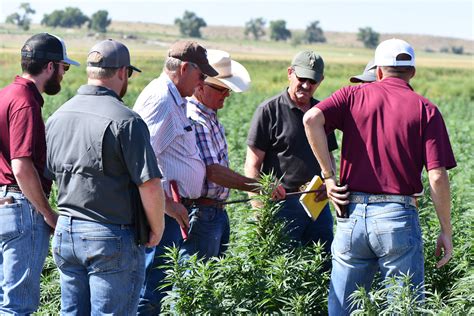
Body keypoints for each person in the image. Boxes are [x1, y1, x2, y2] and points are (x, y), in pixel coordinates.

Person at [303, 38, 456, 315]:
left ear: (379, 71)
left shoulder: (351, 96)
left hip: (350, 215)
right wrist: (446, 229)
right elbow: (437, 176)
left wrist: (328, 176)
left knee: (342, 308)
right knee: (403, 308)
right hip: (397, 217)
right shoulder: (426, 109)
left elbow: (311, 119)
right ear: (412, 72)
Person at [45, 39, 165, 314]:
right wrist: (156, 229)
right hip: (110, 235)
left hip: (66, 231)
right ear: (122, 72)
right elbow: (149, 185)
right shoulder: (127, 121)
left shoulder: (58, 116)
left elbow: (47, 174)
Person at [133, 40, 218, 315]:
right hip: (164, 212)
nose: (201, 81)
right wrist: (166, 205)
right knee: (151, 292)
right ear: (184, 68)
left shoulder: (175, 98)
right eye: (200, 75)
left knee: (164, 287)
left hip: (172, 210)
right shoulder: (160, 99)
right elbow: (137, 161)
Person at [0, 32, 78, 314]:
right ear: (50, 67)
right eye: (64, 68)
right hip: (22, 209)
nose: (63, 74)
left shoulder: (5, 94)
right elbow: (21, 166)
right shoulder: (25, 101)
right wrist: (47, 213)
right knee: (17, 306)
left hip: (3, 204)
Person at [186, 49, 286, 260]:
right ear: (200, 86)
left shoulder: (210, 116)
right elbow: (213, 172)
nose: (227, 94)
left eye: (228, 89)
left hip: (216, 212)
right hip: (202, 213)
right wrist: (260, 186)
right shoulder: (196, 118)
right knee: (198, 281)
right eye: (221, 89)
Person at [245, 51, 338, 254]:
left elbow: (329, 156)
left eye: (312, 81)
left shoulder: (321, 113)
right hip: (282, 204)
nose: (306, 86)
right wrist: (260, 209)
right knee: (283, 265)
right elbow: (252, 165)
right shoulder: (269, 110)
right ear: (290, 73)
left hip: (317, 202)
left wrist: (329, 182)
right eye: (302, 79)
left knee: (322, 263)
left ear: (320, 81)